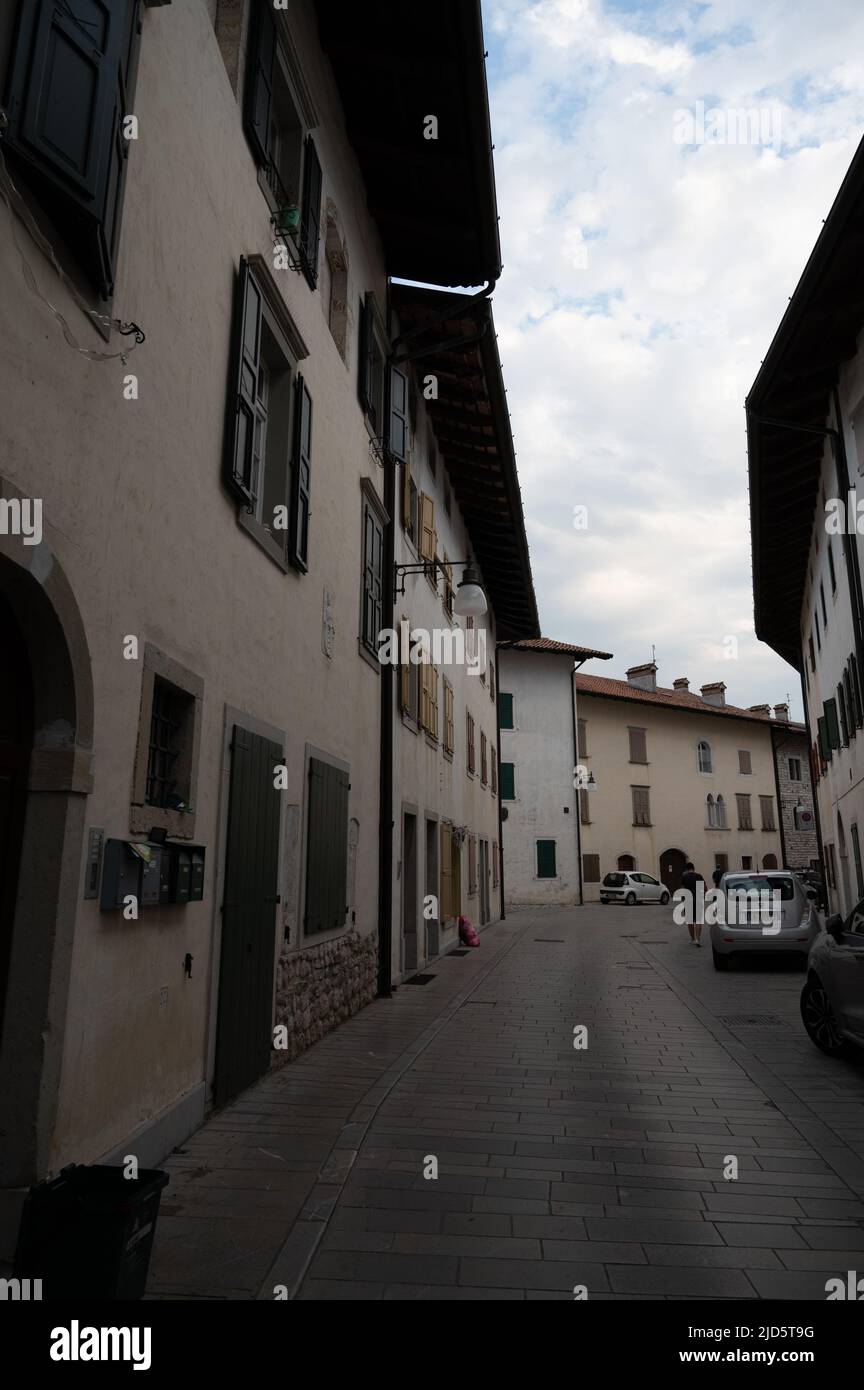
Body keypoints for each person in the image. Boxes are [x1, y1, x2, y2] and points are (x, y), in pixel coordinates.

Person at [680, 861, 706, 945]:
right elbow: (705, 888)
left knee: (690, 921)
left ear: (687, 869)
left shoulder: (684, 877)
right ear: (693, 868)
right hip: (698, 899)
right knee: (698, 920)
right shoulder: (699, 876)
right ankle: (698, 939)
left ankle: (693, 939)